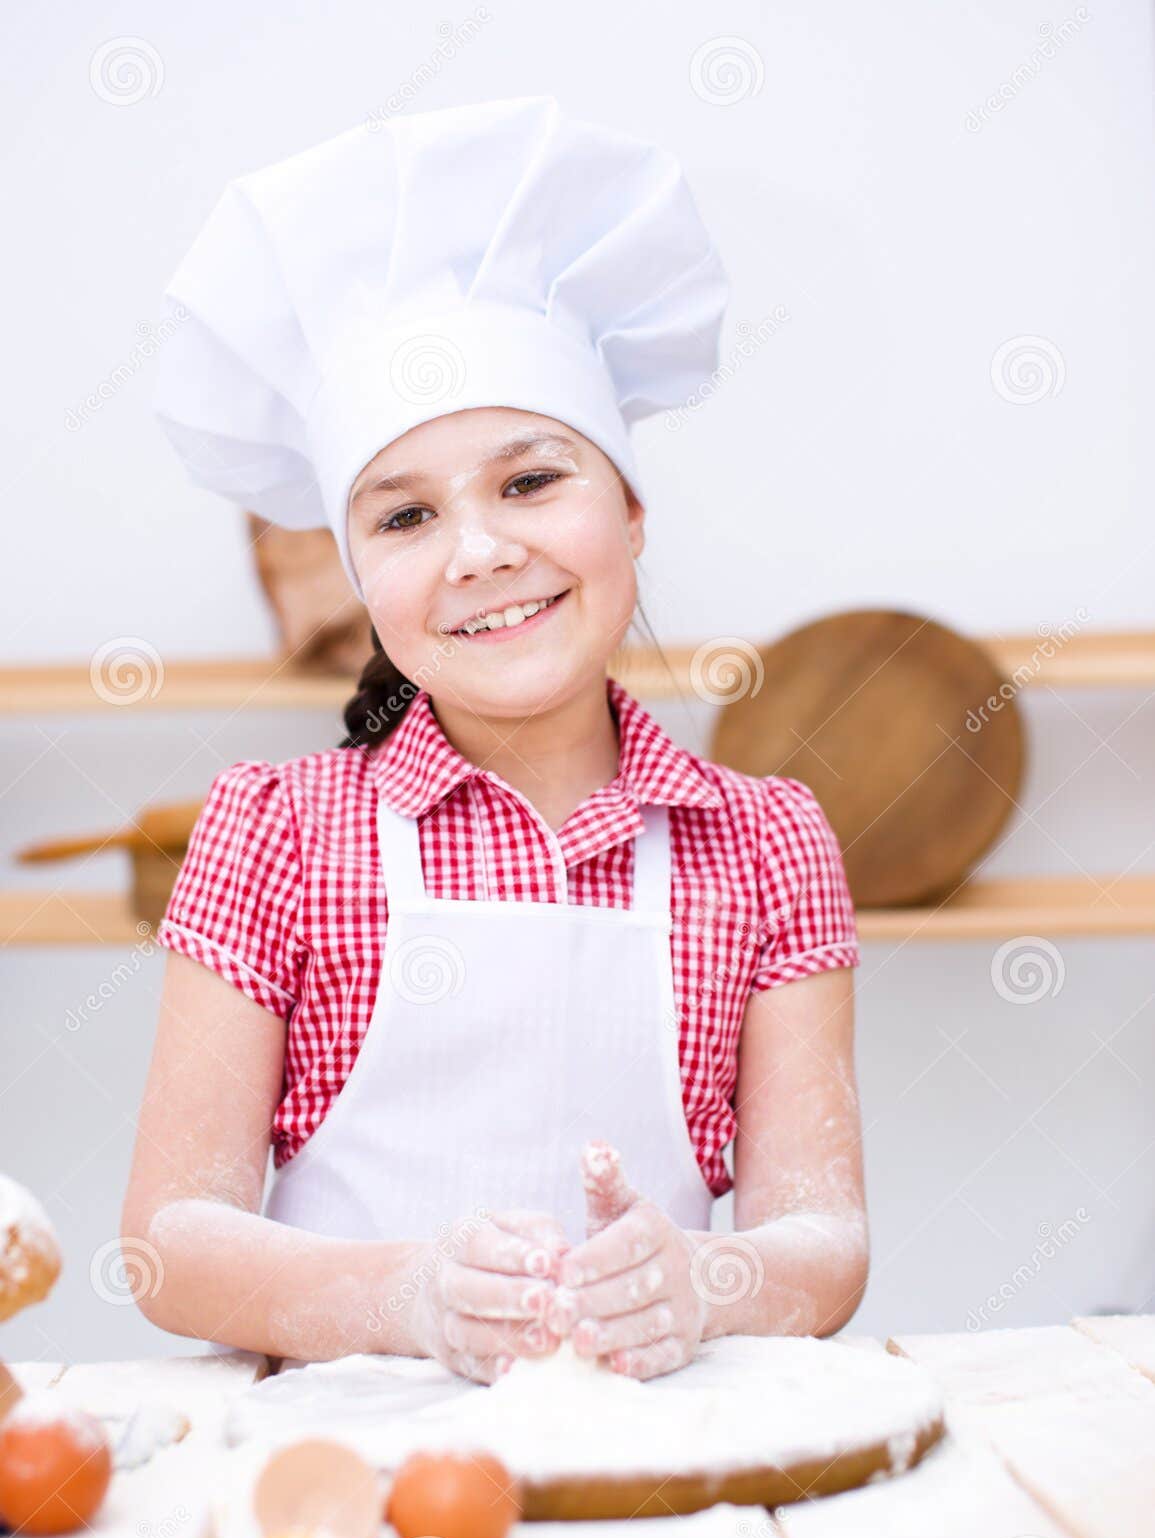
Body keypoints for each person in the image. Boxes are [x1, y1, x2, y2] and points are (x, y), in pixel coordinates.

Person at [123, 95, 867, 1381]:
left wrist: (704, 1279)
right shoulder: (275, 831)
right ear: (359, 576)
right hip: (345, 1487)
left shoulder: (766, 843)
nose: (480, 552)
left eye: (530, 481)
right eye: (405, 518)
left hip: (653, 1487)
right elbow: (169, 1246)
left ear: (630, 510)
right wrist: (404, 1293)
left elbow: (825, 1239)